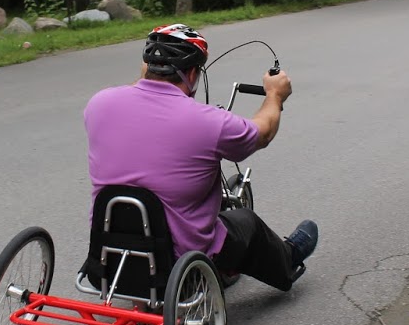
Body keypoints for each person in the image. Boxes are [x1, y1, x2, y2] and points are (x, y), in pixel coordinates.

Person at [83, 23, 318, 291]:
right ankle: (289, 258)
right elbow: (262, 133)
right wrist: (274, 95)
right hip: (176, 262)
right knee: (246, 223)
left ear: (146, 66)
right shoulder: (208, 123)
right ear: (193, 73)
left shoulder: (99, 104)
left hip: (109, 252)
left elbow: (136, 97)